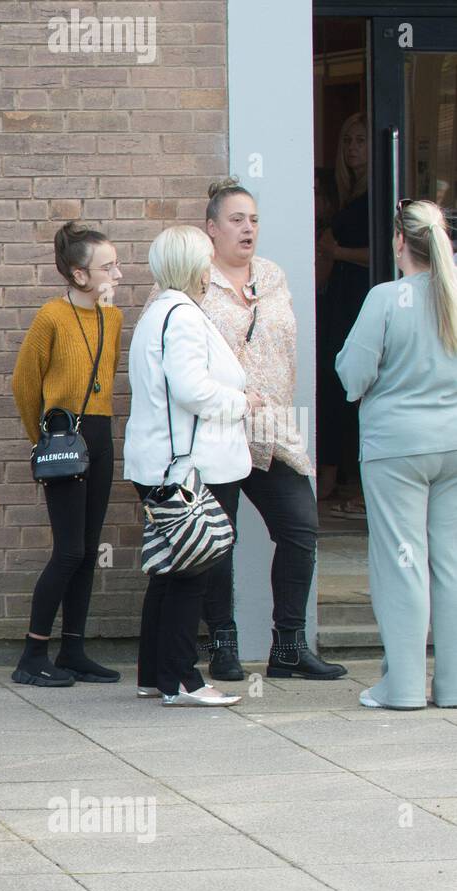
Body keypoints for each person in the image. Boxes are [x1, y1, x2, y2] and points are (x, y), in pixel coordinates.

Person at [196, 178, 346, 682]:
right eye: (237, 219)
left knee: (300, 528)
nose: (248, 228)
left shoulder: (273, 276)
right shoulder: (191, 281)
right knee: (220, 538)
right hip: (217, 428)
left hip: (271, 427)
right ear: (212, 229)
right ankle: (222, 643)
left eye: (254, 219)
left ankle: (289, 646)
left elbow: (284, 348)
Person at [336, 200, 457, 710]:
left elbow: (352, 375)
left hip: (395, 448)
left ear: (399, 242)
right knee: (449, 564)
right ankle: (451, 687)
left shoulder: (385, 299)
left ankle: (404, 686)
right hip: (451, 442)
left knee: (402, 563)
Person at [124, 225, 251, 706]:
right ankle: (182, 680)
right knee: (191, 571)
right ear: (194, 267)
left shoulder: (159, 312)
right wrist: (242, 401)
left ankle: (154, 674)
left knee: (168, 567)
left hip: (161, 463)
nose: (211, 270)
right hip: (191, 470)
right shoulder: (182, 315)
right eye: (207, 262)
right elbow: (192, 389)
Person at [10, 221, 124, 687]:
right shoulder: (51, 317)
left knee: (89, 547)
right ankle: (33, 654)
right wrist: (41, 439)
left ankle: (73, 649)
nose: (118, 273)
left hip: (101, 434)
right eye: (108, 267)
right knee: (69, 549)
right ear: (79, 274)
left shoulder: (112, 318)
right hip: (63, 439)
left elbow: (107, 377)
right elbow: (23, 384)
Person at [317, 113, 371, 509]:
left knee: (352, 379)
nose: (353, 148)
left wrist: (338, 252)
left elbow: (381, 254)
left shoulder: (379, 192)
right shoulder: (349, 192)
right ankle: (334, 473)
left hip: (362, 294)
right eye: (348, 141)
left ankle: (349, 477)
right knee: (334, 373)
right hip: (341, 293)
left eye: (360, 140)